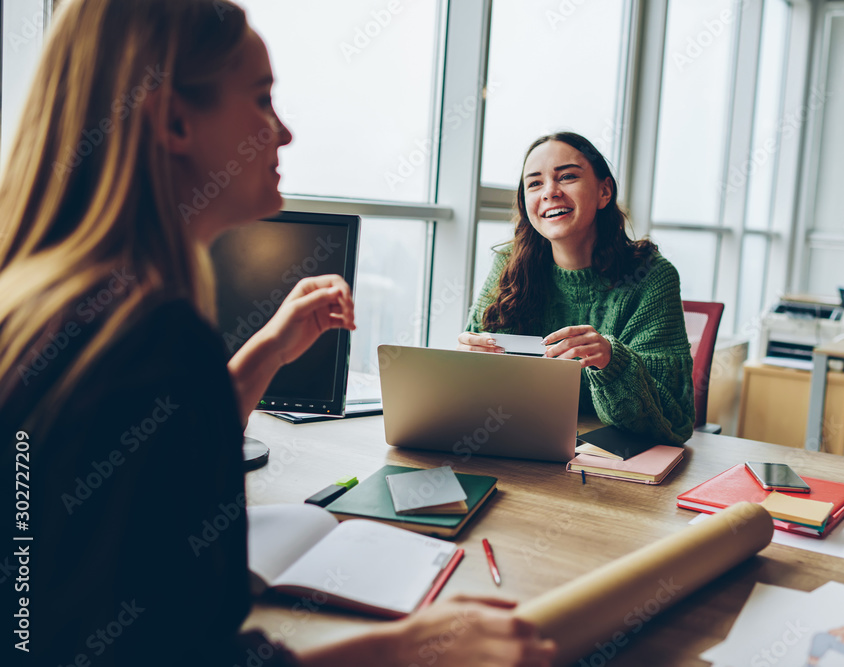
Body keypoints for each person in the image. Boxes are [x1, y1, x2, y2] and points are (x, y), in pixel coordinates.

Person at [0, 1, 554, 665]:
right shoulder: (152, 342)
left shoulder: (49, 308)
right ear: (174, 120)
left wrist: (267, 349)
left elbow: (138, 472)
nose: (284, 132)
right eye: (262, 100)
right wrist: (406, 649)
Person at [459, 132, 695, 444]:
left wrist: (613, 362)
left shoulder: (650, 277)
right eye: (534, 183)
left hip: (605, 467)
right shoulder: (507, 266)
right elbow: (474, 392)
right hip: (520, 445)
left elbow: (675, 420)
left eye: (567, 176)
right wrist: (466, 364)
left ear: (604, 191)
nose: (549, 192)